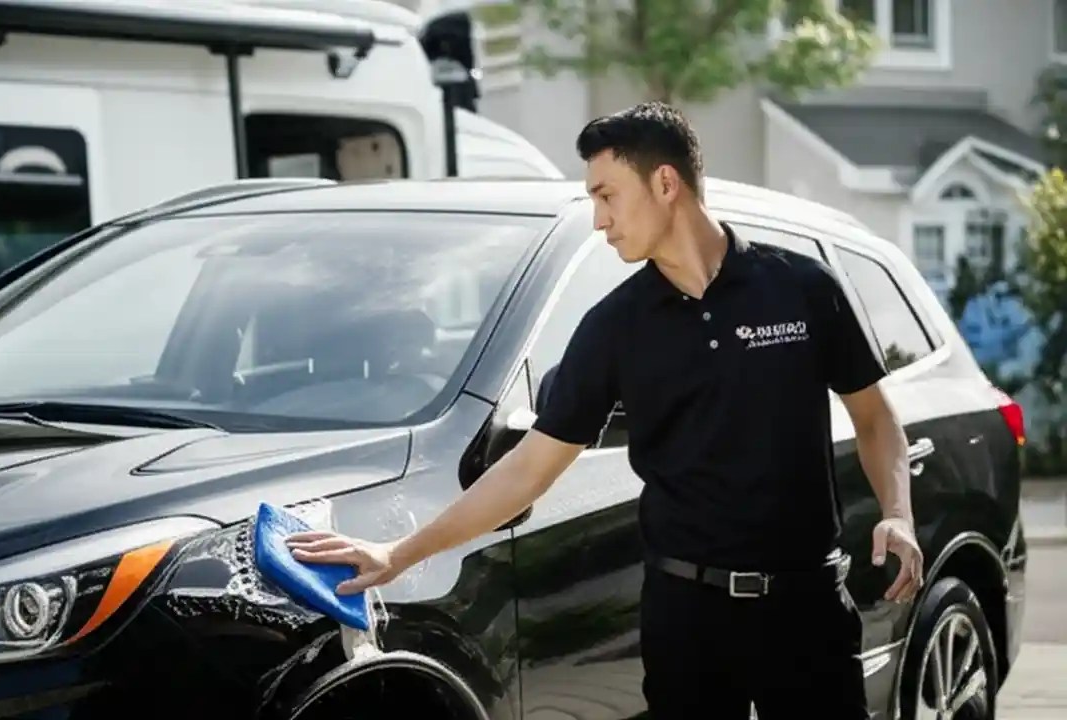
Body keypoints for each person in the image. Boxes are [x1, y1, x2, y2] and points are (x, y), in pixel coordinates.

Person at [286, 102, 924, 719]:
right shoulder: (614, 327)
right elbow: (529, 469)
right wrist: (399, 553)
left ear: (665, 182)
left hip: (807, 608)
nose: (599, 220)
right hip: (689, 619)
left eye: (607, 195)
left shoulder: (801, 286)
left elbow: (874, 418)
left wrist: (897, 513)